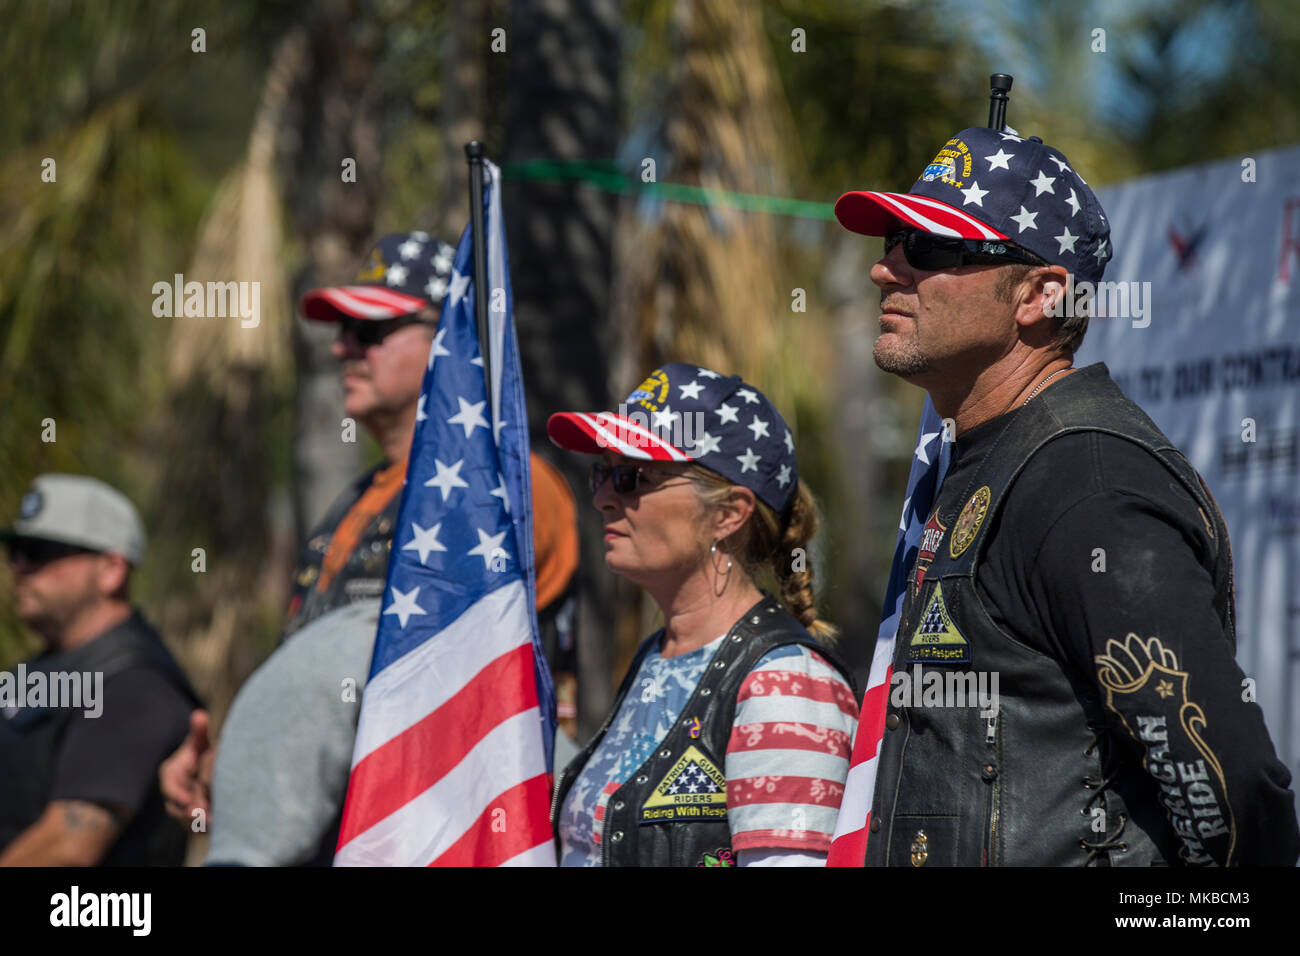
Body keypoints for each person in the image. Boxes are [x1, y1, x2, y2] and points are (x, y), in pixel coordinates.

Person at [833, 126, 1299, 865]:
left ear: (1040, 296)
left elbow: (1234, 792)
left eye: (927, 247)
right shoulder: (972, 470)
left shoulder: (1087, 480)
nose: (884, 270)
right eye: (894, 239)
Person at [158, 231, 581, 865]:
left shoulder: (499, 485)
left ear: (449, 338)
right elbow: (321, 679)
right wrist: (240, 757)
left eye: (369, 330)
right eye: (343, 331)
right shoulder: (358, 498)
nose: (342, 348)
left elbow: (443, 676)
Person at [547, 363, 859, 867]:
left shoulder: (785, 684)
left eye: (631, 477)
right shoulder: (658, 656)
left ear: (728, 513)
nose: (603, 498)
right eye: (602, 473)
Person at [0, 474, 200, 866]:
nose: (19, 567)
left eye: (40, 551)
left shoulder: (134, 686)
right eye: (15, 550)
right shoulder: (45, 667)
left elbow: (67, 847)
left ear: (111, 569)